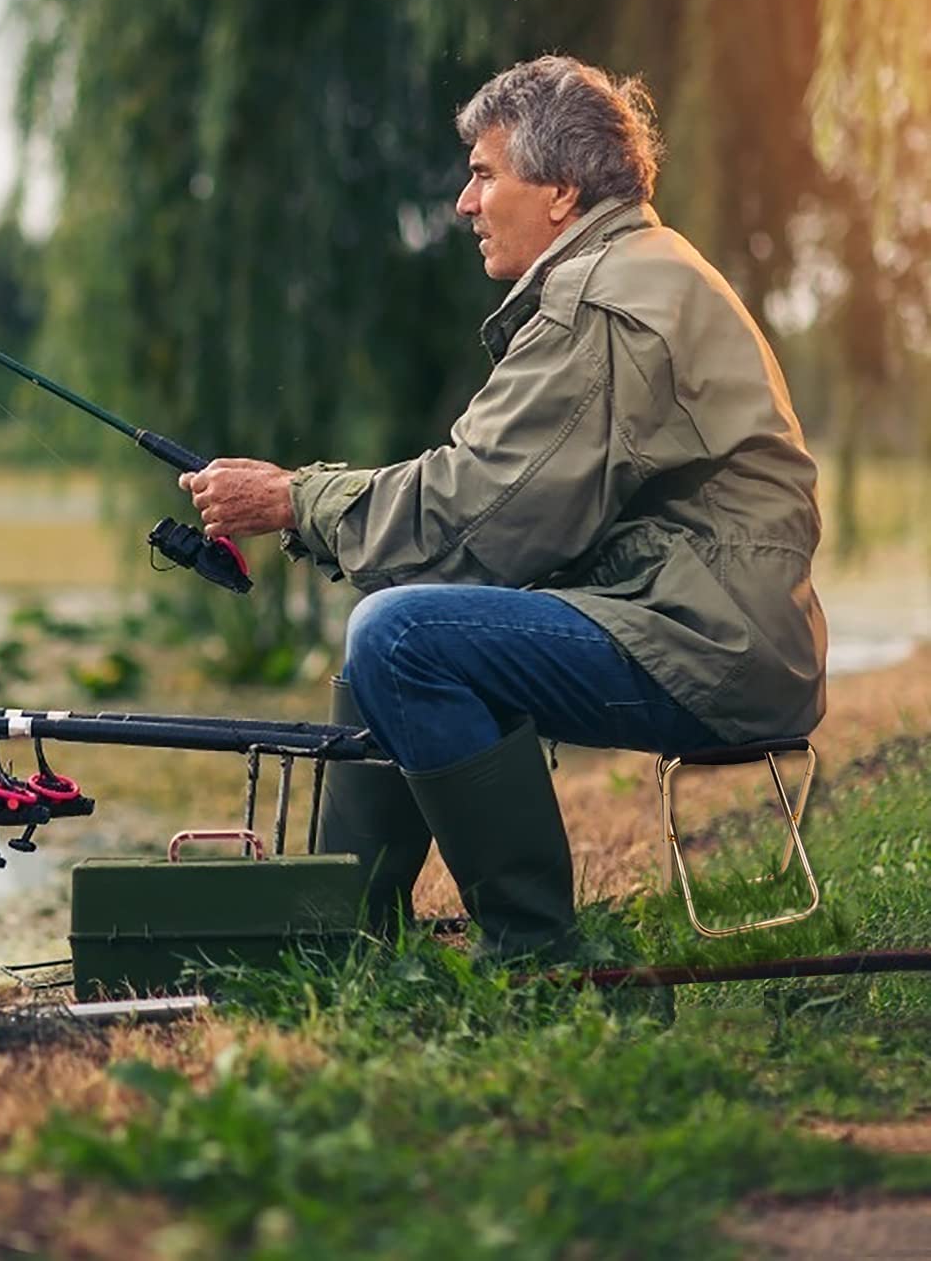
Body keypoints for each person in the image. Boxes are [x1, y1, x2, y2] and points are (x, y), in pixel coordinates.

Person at [180, 55, 828, 960]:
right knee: (398, 630)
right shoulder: (639, 268)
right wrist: (318, 508)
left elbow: (474, 516)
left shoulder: (600, 305)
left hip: (706, 651)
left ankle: (536, 950)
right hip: (715, 633)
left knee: (400, 635)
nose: (464, 202)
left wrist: (296, 499)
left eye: (485, 173)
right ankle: (339, 937)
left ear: (561, 191)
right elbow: (506, 519)